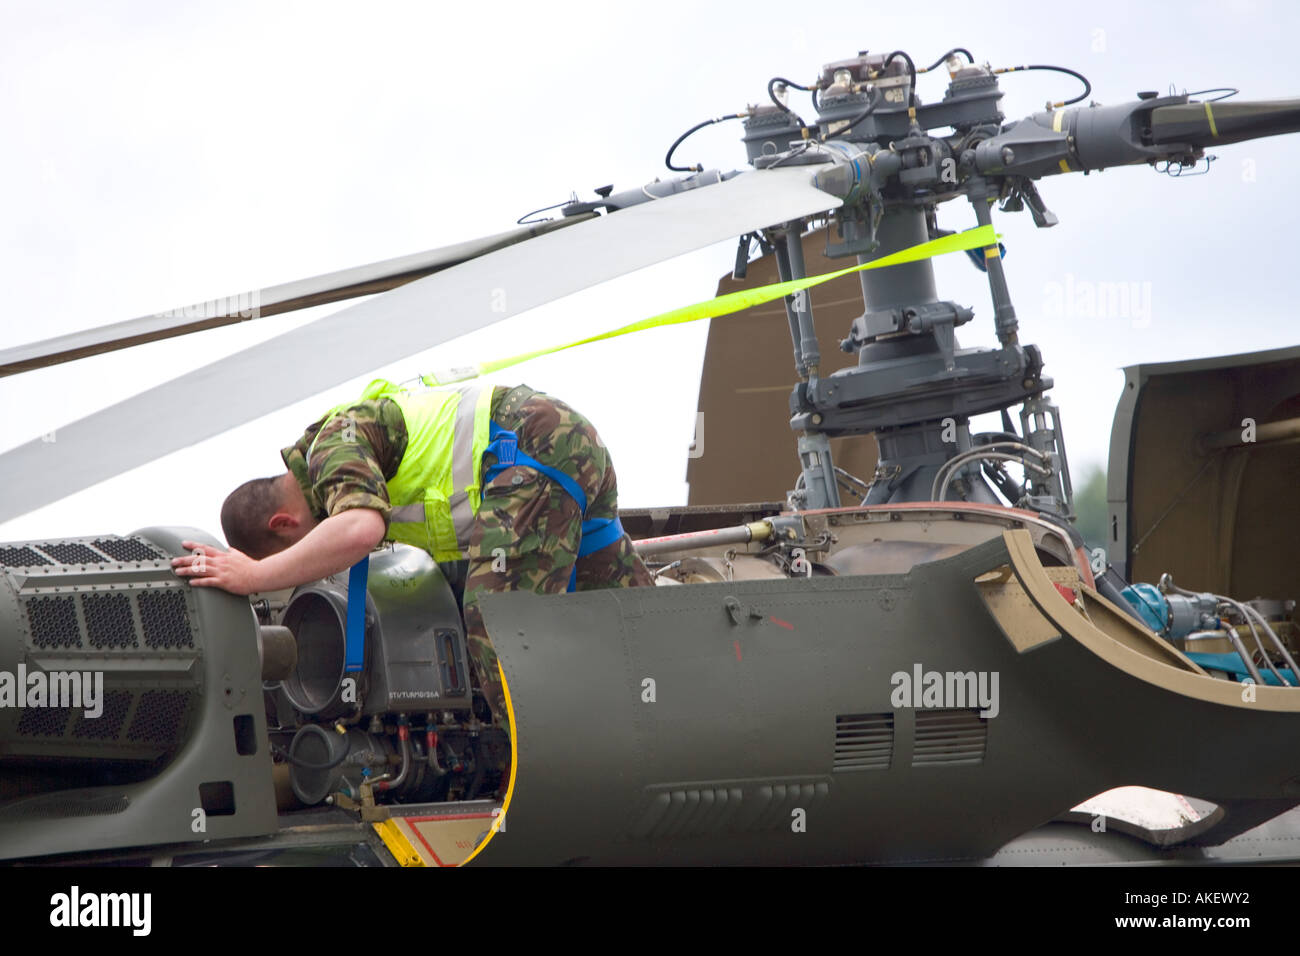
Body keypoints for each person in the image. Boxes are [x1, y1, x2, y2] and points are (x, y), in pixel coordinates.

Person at [172, 380, 652, 738]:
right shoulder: (342, 460)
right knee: (631, 616)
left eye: (294, 554)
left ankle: (555, 770)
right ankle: (669, 711)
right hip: (561, 447)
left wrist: (255, 574)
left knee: (498, 625)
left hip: (530, 450)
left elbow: (361, 529)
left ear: (283, 524)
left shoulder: (331, 447)